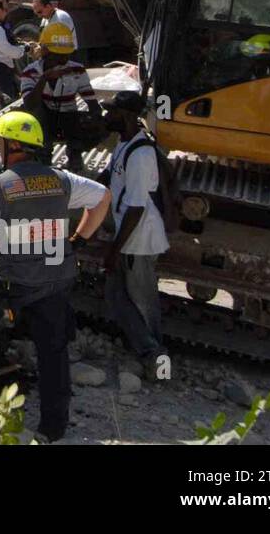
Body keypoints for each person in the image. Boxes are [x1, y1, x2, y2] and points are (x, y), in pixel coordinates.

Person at [0, 111, 110, 443]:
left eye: (1, 142)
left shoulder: (0, 186)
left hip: (14, 286)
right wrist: (78, 241)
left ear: (11, 145)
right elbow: (103, 198)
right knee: (54, 352)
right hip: (54, 284)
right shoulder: (62, 180)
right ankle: (53, 427)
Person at [99, 90, 170, 379]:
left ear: (127, 116)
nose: (106, 115)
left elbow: (137, 207)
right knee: (116, 295)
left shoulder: (141, 154)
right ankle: (145, 350)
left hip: (137, 240)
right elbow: (108, 178)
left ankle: (155, 358)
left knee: (142, 301)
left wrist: (115, 250)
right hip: (128, 236)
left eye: (112, 111)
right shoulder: (124, 143)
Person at [20, 21, 99, 173]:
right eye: (59, 54)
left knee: (90, 123)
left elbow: (92, 102)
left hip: (68, 116)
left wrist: (95, 120)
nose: (64, 58)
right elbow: (29, 104)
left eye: (67, 53)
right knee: (37, 112)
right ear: (46, 51)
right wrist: (44, 79)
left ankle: (75, 154)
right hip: (45, 118)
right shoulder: (30, 72)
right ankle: (43, 156)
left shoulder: (77, 69)